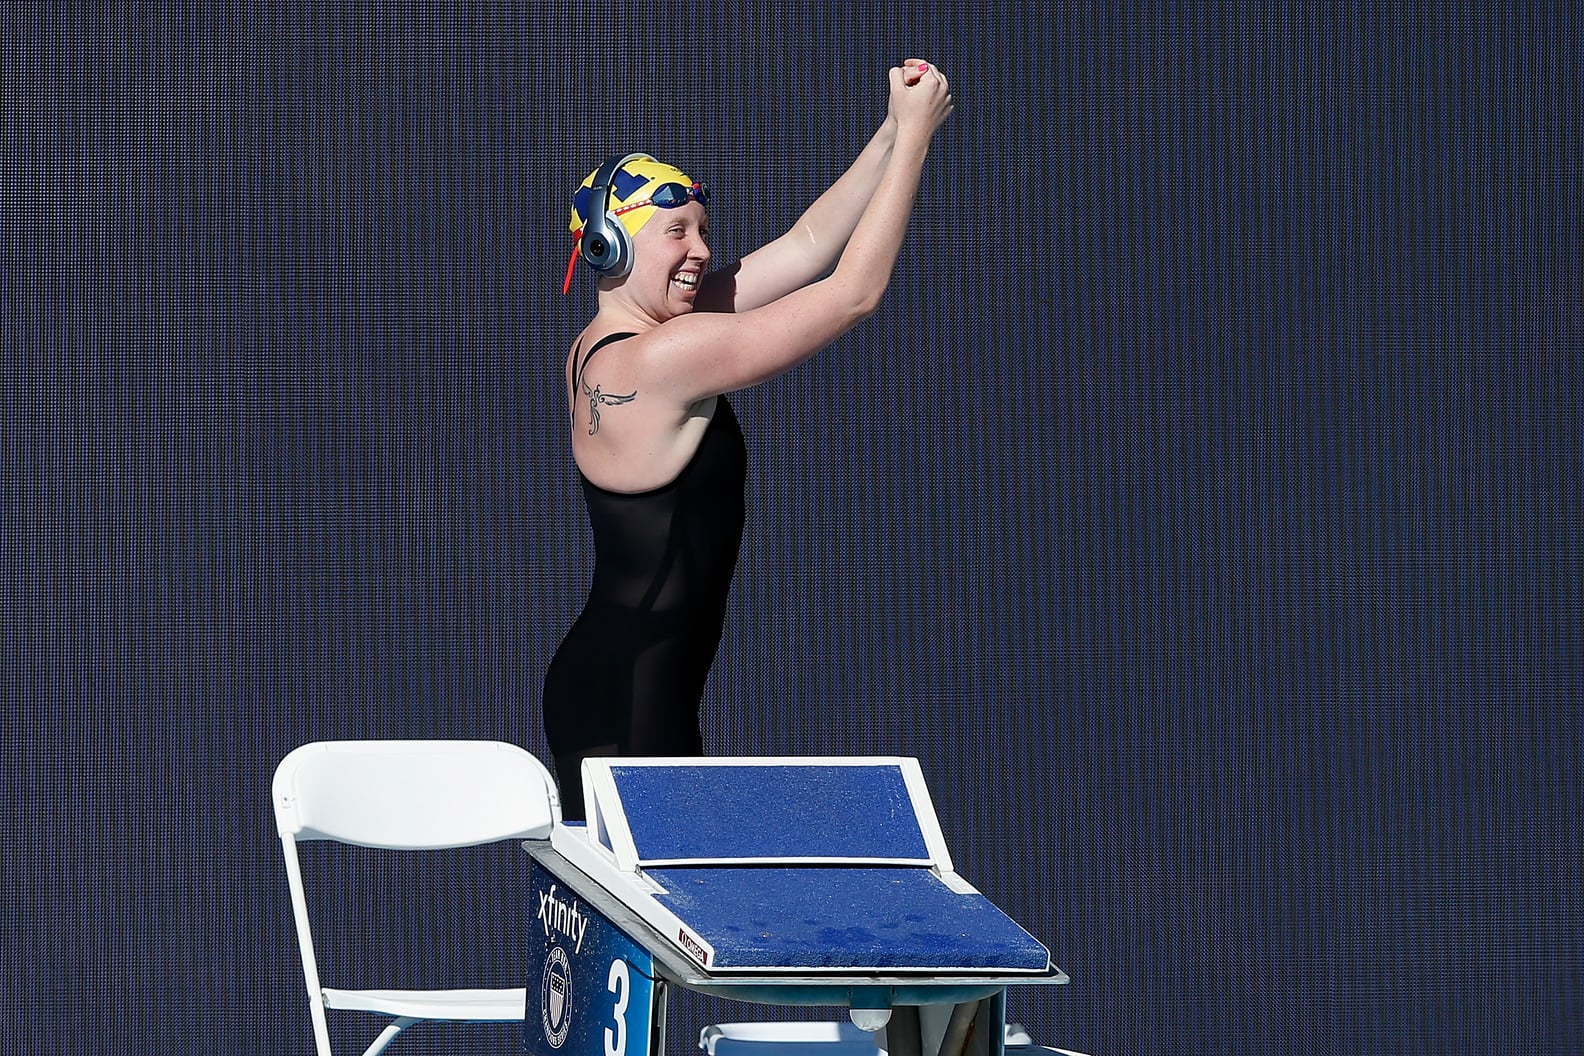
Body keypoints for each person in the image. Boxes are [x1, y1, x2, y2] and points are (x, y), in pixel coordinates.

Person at [542, 61, 953, 819]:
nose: (699, 249)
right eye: (676, 232)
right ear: (608, 249)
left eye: (703, 229)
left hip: (627, 687)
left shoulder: (609, 344)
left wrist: (892, 130)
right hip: (628, 709)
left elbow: (804, 245)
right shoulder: (663, 357)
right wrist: (921, 141)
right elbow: (852, 293)